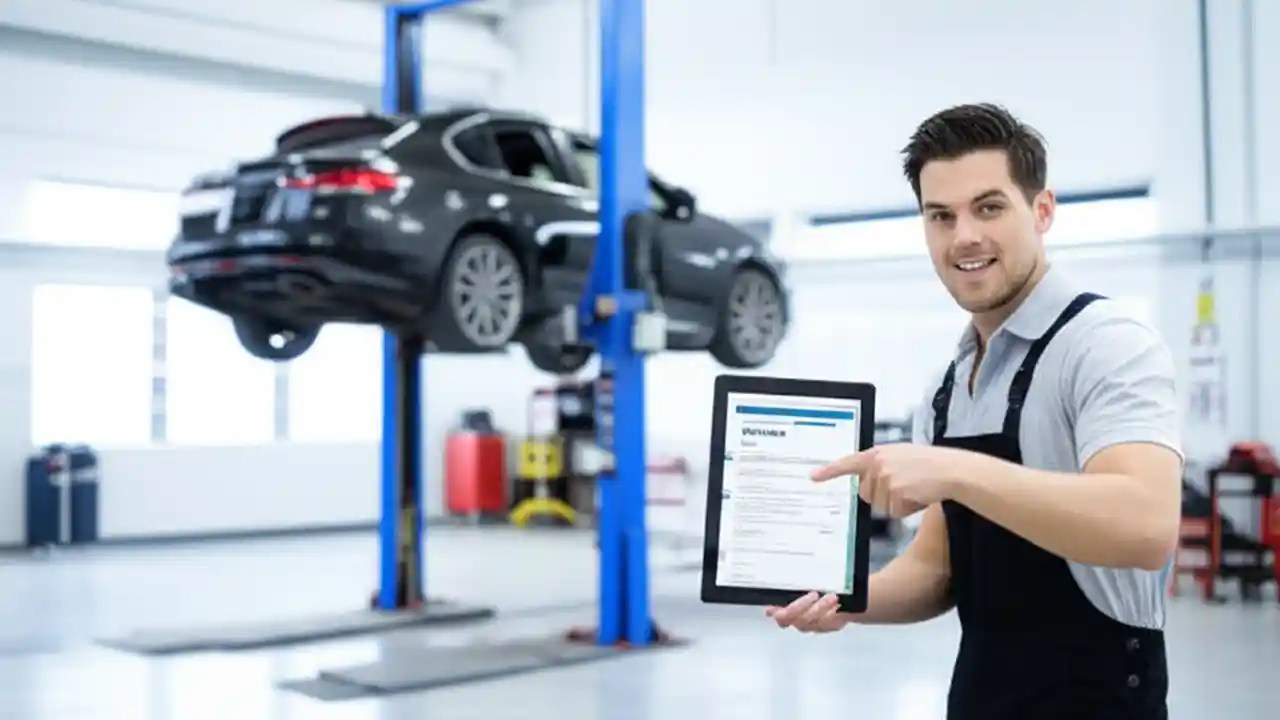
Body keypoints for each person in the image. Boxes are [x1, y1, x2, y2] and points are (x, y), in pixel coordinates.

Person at [765, 103, 1183, 719]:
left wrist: (954, 471)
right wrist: (848, 600)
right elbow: (938, 570)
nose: (964, 236)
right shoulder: (948, 383)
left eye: (989, 208)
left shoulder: (1106, 343)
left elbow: (1145, 527)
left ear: (1041, 212)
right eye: (941, 216)